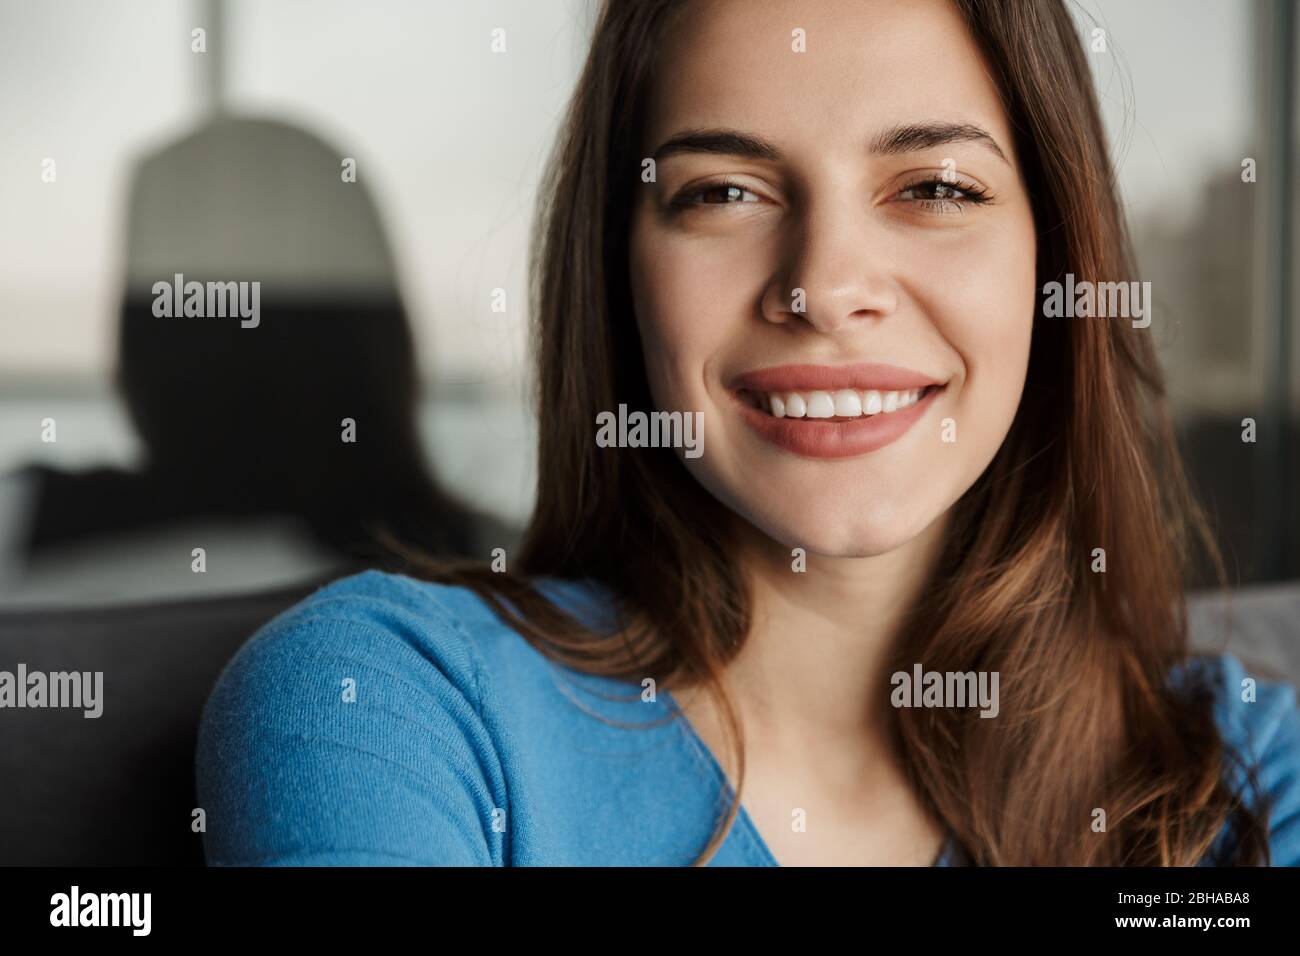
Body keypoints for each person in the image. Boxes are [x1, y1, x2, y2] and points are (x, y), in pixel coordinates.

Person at [196, 0, 1300, 866]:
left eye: (933, 185)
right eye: (722, 191)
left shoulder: (1247, 775)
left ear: (1054, 260)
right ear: (618, 269)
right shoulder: (391, 705)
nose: (822, 286)